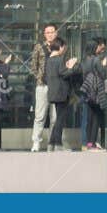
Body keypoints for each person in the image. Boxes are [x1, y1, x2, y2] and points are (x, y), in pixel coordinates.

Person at [44, 37, 80, 151]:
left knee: (58, 118)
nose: (64, 50)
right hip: (62, 93)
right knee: (60, 119)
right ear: (60, 47)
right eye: (63, 47)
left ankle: (52, 143)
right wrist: (71, 67)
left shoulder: (48, 60)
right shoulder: (60, 59)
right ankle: (58, 144)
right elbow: (63, 73)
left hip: (53, 93)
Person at [29, 22, 57, 153]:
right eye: (48, 32)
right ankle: (36, 142)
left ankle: (52, 143)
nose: (50, 34)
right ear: (44, 34)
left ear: (56, 33)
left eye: (52, 32)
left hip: (56, 86)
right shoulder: (39, 47)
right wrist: (39, 77)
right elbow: (33, 65)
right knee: (40, 116)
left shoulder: (60, 46)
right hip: (42, 85)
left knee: (55, 117)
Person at [80, 38, 107, 150]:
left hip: (87, 90)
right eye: (96, 47)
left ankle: (87, 143)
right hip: (96, 91)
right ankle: (92, 141)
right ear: (93, 48)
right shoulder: (96, 60)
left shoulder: (84, 60)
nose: (98, 49)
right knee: (96, 116)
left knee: (89, 117)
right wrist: (104, 65)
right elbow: (103, 74)